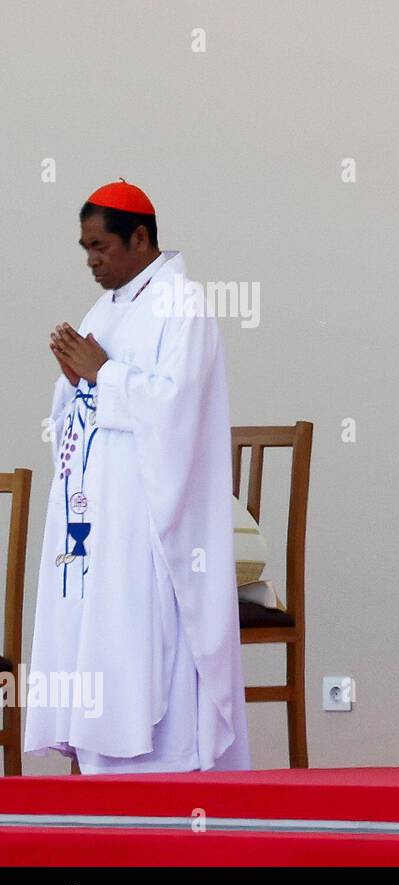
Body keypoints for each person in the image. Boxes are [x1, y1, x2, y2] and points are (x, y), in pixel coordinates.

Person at [24, 180, 250, 773]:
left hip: (150, 517)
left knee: (143, 630)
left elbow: (178, 411)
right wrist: (76, 383)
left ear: (140, 237)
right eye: (84, 247)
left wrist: (102, 375)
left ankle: (168, 770)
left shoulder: (184, 306)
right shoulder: (109, 308)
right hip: (99, 512)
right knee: (100, 624)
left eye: (100, 246)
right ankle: (103, 764)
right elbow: (88, 407)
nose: (91, 260)